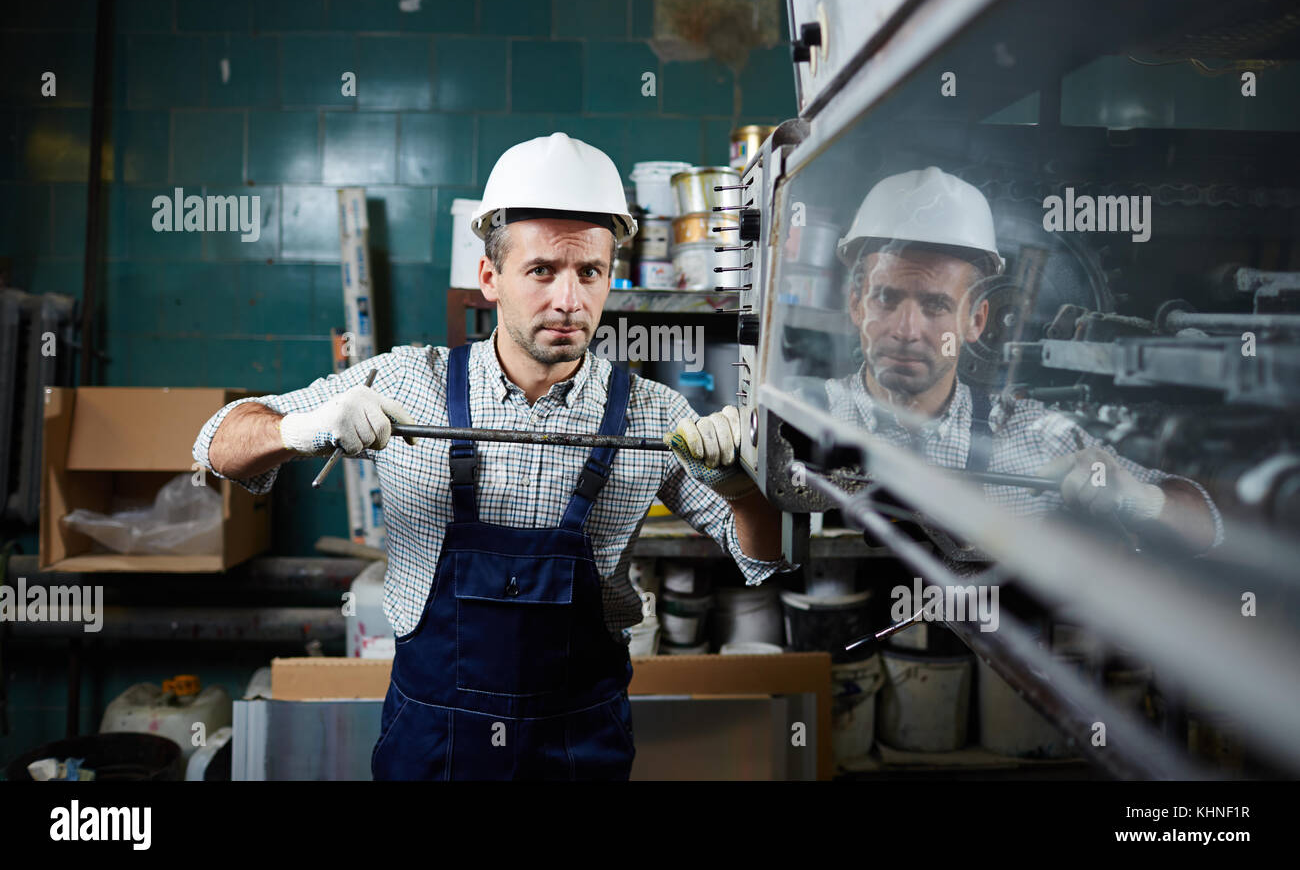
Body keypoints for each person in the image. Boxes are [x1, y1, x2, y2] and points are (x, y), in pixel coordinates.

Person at [192, 133, 788, 780]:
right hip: (432, 741)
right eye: (541, 271)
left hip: (580, 742)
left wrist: (740, 488)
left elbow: (764, 556)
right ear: (489, 277)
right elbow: (217, 444)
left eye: (589, 272)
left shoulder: (654, 414)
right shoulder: (404, 382)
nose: (568, 300)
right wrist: (305, 427)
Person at [823, 167, 1222, 552]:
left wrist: (1142, 500)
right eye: (886, 298)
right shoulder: (809, 417)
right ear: (857, 306)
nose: (907, 330)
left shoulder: (1035, 436)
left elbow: (1210, 531)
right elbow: (760, 572)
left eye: (935, 305)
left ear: (976, 321)